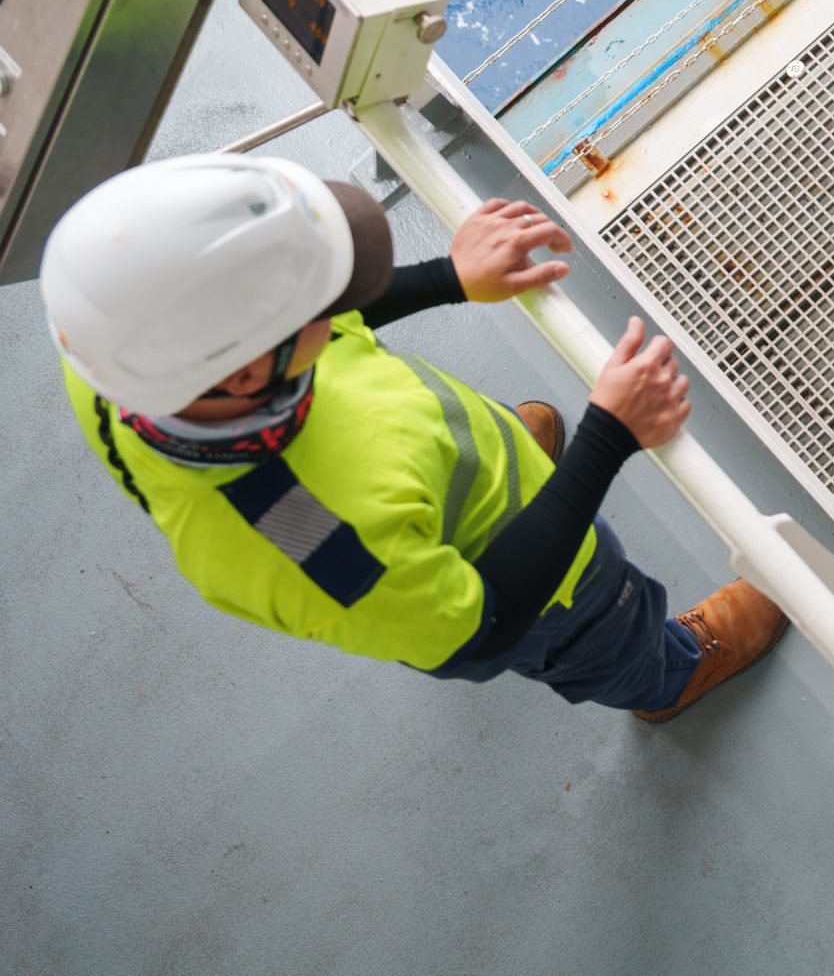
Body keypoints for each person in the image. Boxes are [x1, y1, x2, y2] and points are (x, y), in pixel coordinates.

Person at [40, 153, 787, 722]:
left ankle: (469, 474)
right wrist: (608, 436)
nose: (347, 300)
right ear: (244, 378)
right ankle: (669, 671)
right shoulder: (317, 539)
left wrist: (449, 275)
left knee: (441, 447)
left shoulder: (116, 354)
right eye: (325, 298)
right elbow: (482, 630)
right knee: (605, 621)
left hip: (419, 450)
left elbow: (334, 325)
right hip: (546, 591)